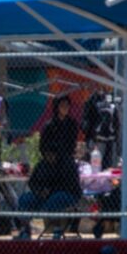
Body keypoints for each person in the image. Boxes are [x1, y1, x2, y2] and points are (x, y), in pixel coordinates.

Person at [17, 95, 83, 239]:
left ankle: (57, 230)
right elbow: (33, 182)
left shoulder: (67, 164)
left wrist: (50, 191)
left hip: (63, 192)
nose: (65, 108)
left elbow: (68, 186)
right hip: (44, 195)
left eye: (67, 105)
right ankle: (25, 230)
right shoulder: (43, 163)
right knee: (25, 199)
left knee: (56, 199)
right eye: (62, 105)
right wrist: (40, 191)